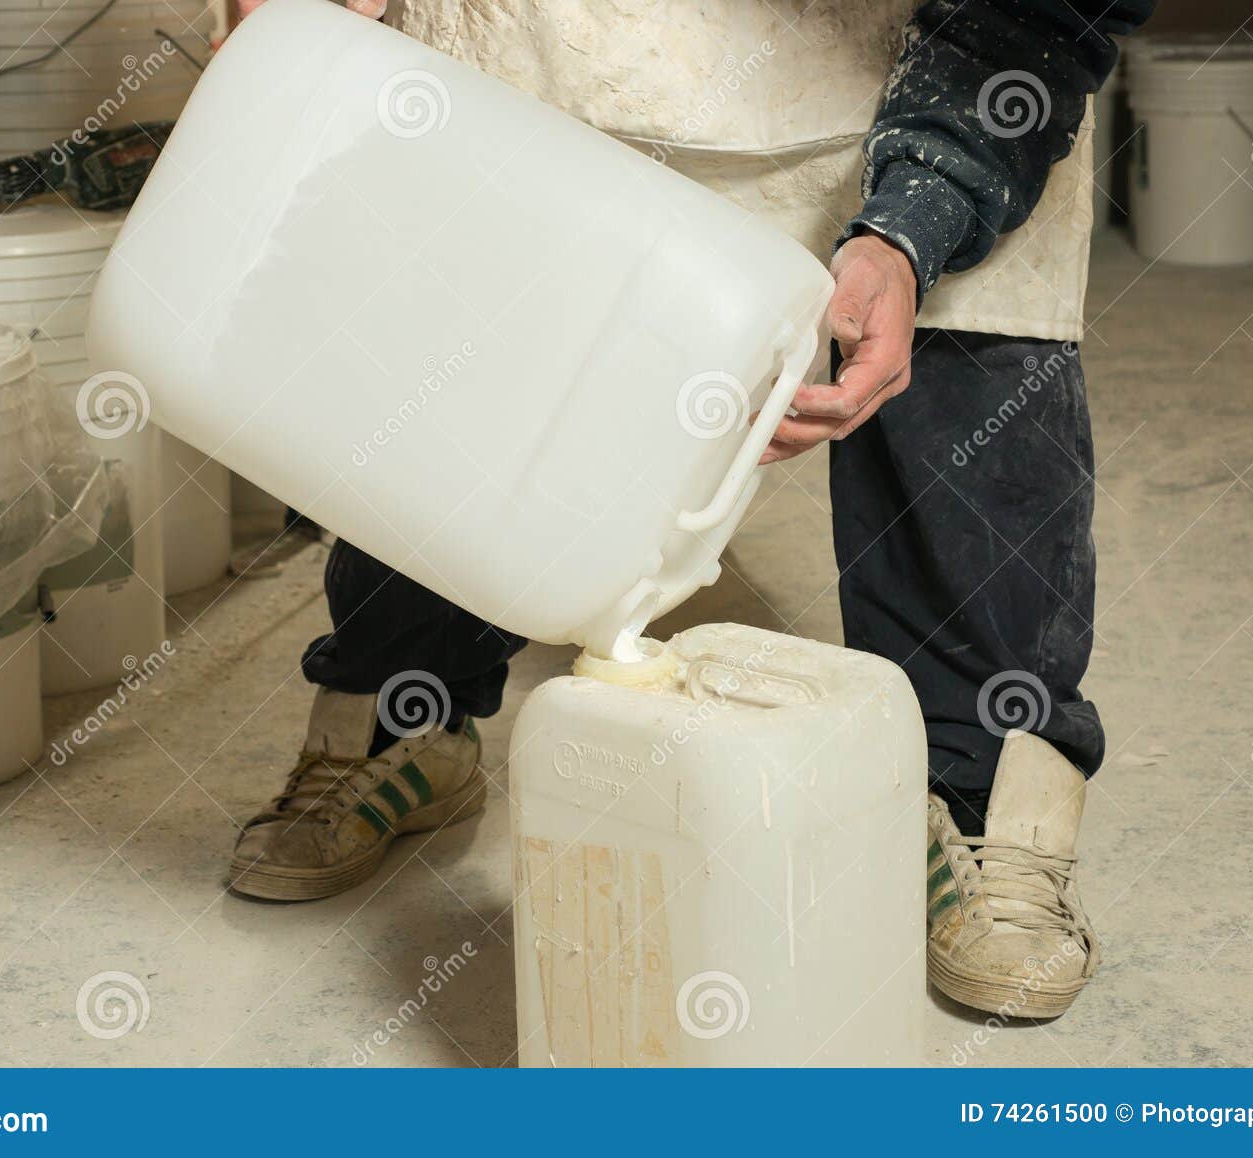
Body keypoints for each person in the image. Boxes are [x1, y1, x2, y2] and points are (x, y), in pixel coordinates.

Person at [229, 0, 1154, 1020]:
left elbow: (1033, 19)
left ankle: (981, 797)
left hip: (903, 58)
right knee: (469, 338)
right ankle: (404, 714)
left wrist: (913, 224)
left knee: (972, 341)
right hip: (551, 47)